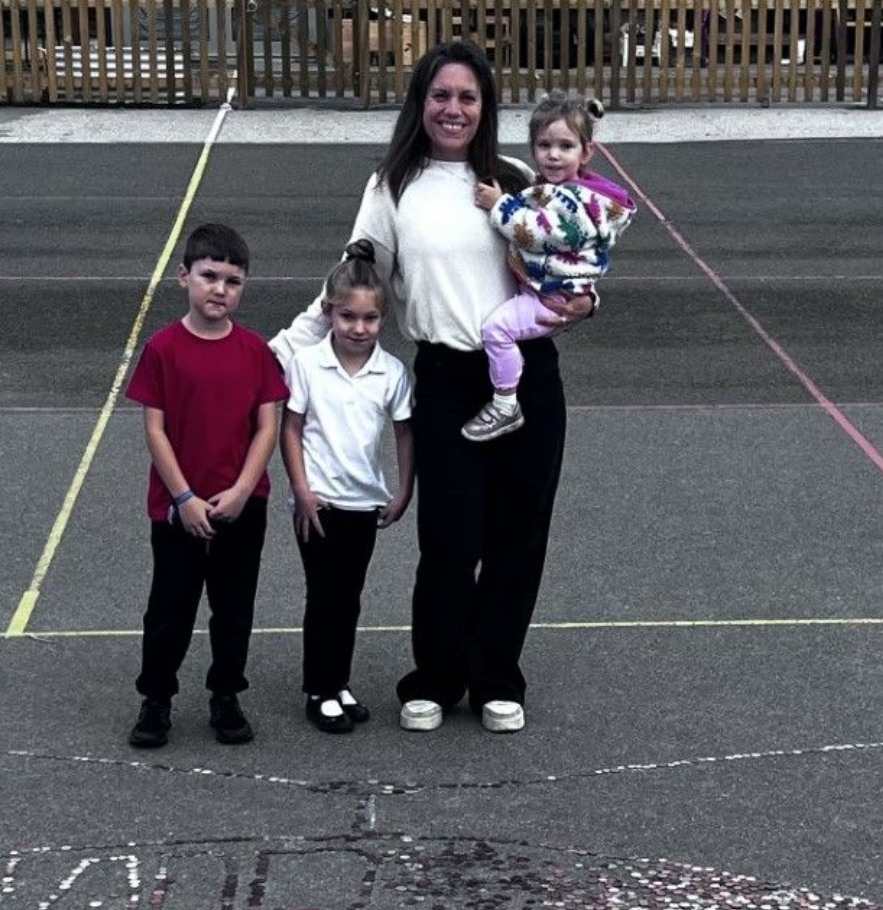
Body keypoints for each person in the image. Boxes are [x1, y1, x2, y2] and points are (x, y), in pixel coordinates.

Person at [271, 40, 593, 736]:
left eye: (467, 97)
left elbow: (570, 259)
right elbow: (353, 280)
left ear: (486, 106)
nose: (453, 109)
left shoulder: (516, 179)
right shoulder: (392, 185)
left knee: (518, 537)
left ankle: (496, 677)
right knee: (449, 538)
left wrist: (585, 302)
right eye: (441, 95)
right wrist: (280, 350)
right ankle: (437, 677)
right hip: (446, 380)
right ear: (421, 102)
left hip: (525, 376)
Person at [127, 223, 287, 749]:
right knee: (170, 609)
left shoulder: (255, 351)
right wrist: (183, 497)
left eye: (233, 281)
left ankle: (226, 693)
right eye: (209, 276)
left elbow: (266, 427)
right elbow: (155, 430)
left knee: (233, 609)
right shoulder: (162, 348)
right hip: (179, 509)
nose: (220, 289)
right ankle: (156, 698)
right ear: (184, 277)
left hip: (241, 506)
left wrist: (241, 491)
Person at [279, 241, 415, 735]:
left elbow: (404, 432)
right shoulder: (307, 364)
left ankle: (338, 681)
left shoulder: (391, 372)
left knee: (349, 596)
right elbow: (291, 428)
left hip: (364, 503)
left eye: (370, 318)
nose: (359, 328)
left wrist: (403, 491)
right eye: (348, 316)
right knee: (324, 595)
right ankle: (319, 688)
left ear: (382, 319)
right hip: (318, 503)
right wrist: (301, 489)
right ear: (330, 313)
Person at [464, 92, 636, 443]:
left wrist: (499, 206)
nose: (553, 155)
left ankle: (505, 403)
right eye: (544, 145)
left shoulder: (575, 201)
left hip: (550, 298)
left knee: (497, 330)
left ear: (586, 153)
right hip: (555, 290)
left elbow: (539, 234)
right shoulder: (561, 189)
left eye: (565, 146)